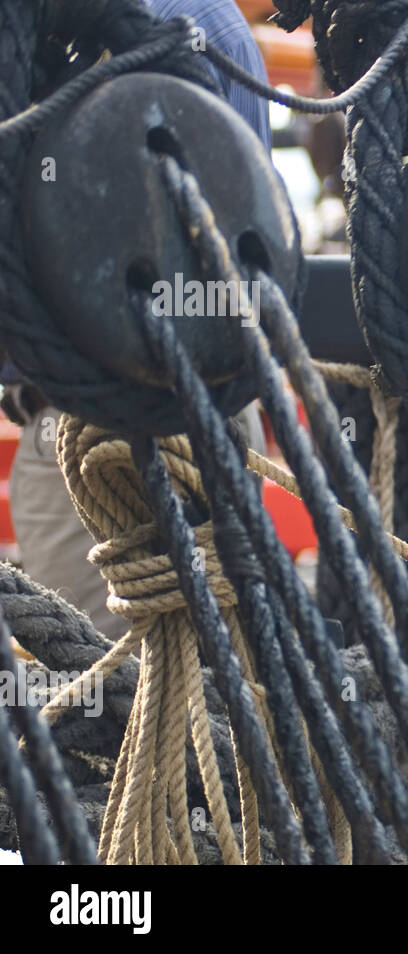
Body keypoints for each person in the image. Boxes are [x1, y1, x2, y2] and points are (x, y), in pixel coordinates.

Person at [6, 0, 271, 640]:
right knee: (100, 701)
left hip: (180, 418)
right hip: (62, 439)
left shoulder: (199, 24)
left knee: (186, 695)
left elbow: (241, 256)